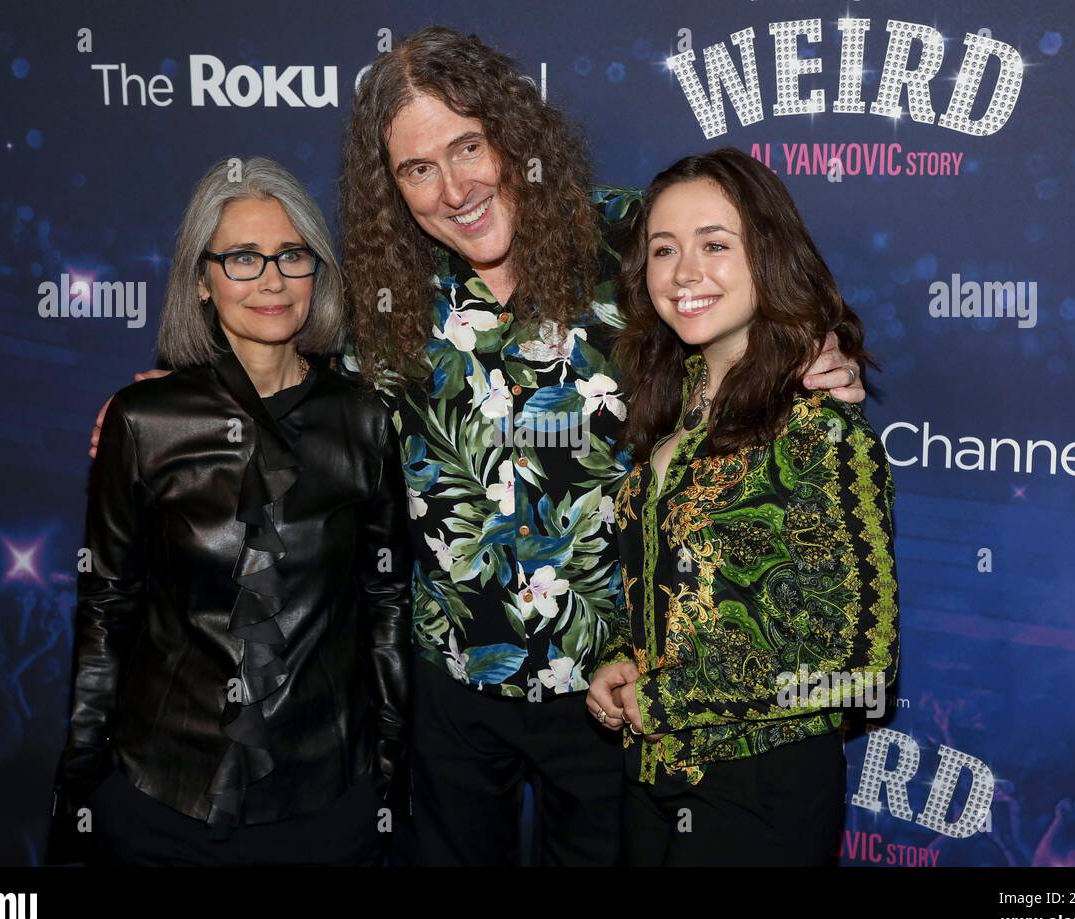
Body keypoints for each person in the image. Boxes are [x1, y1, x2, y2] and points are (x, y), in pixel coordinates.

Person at [91, 26, 867, 867]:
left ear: (514, 136)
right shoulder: (381, 294)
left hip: (612, 686)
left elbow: (739, 292)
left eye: (468, 147)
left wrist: (810, 356)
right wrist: (178, 399)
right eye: (417, 169)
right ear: (391, 188)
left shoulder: (633, 243)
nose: (453, 187)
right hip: (450, 688)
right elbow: (278, 355)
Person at [53, 157, 411, 865]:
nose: (272, 280)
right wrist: (82, 775)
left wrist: (391, 773)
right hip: (165, 794)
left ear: (319, 273)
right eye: (243, 258)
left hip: (326, 798)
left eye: (292, 256)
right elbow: (106, 607)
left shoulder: (363, 422)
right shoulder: (143, 421)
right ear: (201, 281)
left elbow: (387, 604)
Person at [587, 148, 899, 866]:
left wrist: (667, 700)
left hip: (761, 788)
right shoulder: (672, 405)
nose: (684, 272)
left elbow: (856, 662)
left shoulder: (819, 426)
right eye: (663, 250)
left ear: (769, 255)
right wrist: (620, 662)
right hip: (650, 775)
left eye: (715, 245)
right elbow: (669, 591)